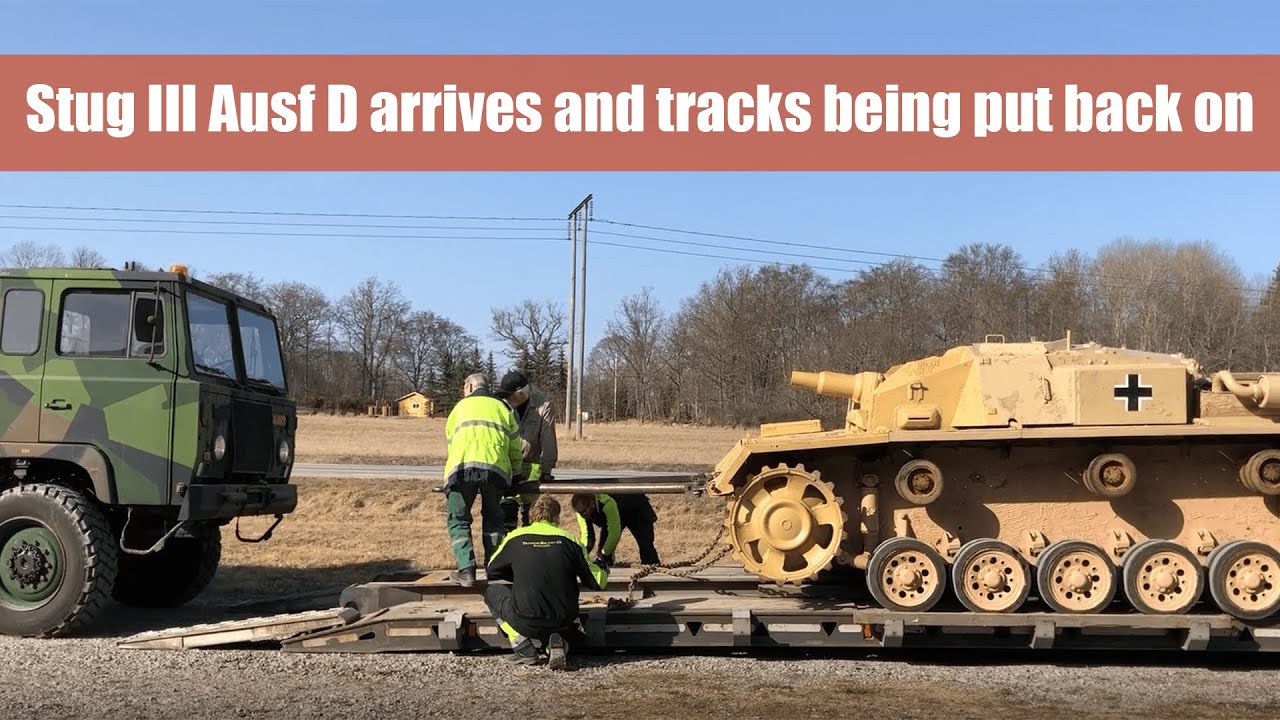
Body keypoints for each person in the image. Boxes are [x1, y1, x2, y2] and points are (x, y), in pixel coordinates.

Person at [484, 494, 609, 669]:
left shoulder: (515, 537)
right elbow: (597, 583)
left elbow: (492, 570)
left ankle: (521, 645)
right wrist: (603, 567)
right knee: (556, 614)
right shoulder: (570, 541)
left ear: (531, 516)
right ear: (557, 517)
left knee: (492, 593)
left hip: (525, 620)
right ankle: (556, 644)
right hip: (564, 620)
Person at [442, 372, 524, 587]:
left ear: (469, 387)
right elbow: (515, 447)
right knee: (494, 520)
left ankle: (466, 571)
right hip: (495, 471)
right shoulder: (504, 409)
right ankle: (494, 569)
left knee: (458, 519)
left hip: (461, 469)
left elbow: (452, 443)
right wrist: (516, 475)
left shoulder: (458, 408)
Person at [494, 370, 558, 529]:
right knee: (506, 516)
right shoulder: (502, 405)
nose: (505, 398)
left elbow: (548, 439)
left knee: (532, 518)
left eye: (508, 395)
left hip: (531, 466)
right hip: (506, 467)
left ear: (520, 393)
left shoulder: (544, 405)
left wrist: (547, 469)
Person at [570, 492, 661, 566]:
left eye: (585, 512)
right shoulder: (580, 512)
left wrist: (603, 554)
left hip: (636, 508)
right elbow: (587, 538)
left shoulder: (607, 503)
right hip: (614, 514)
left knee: (646, 546)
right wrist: (581, 557)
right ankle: (606, 573)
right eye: (580, 513)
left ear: (592, 503)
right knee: (603, 552)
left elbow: (614, 534)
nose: (583, 515)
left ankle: (653, 575)